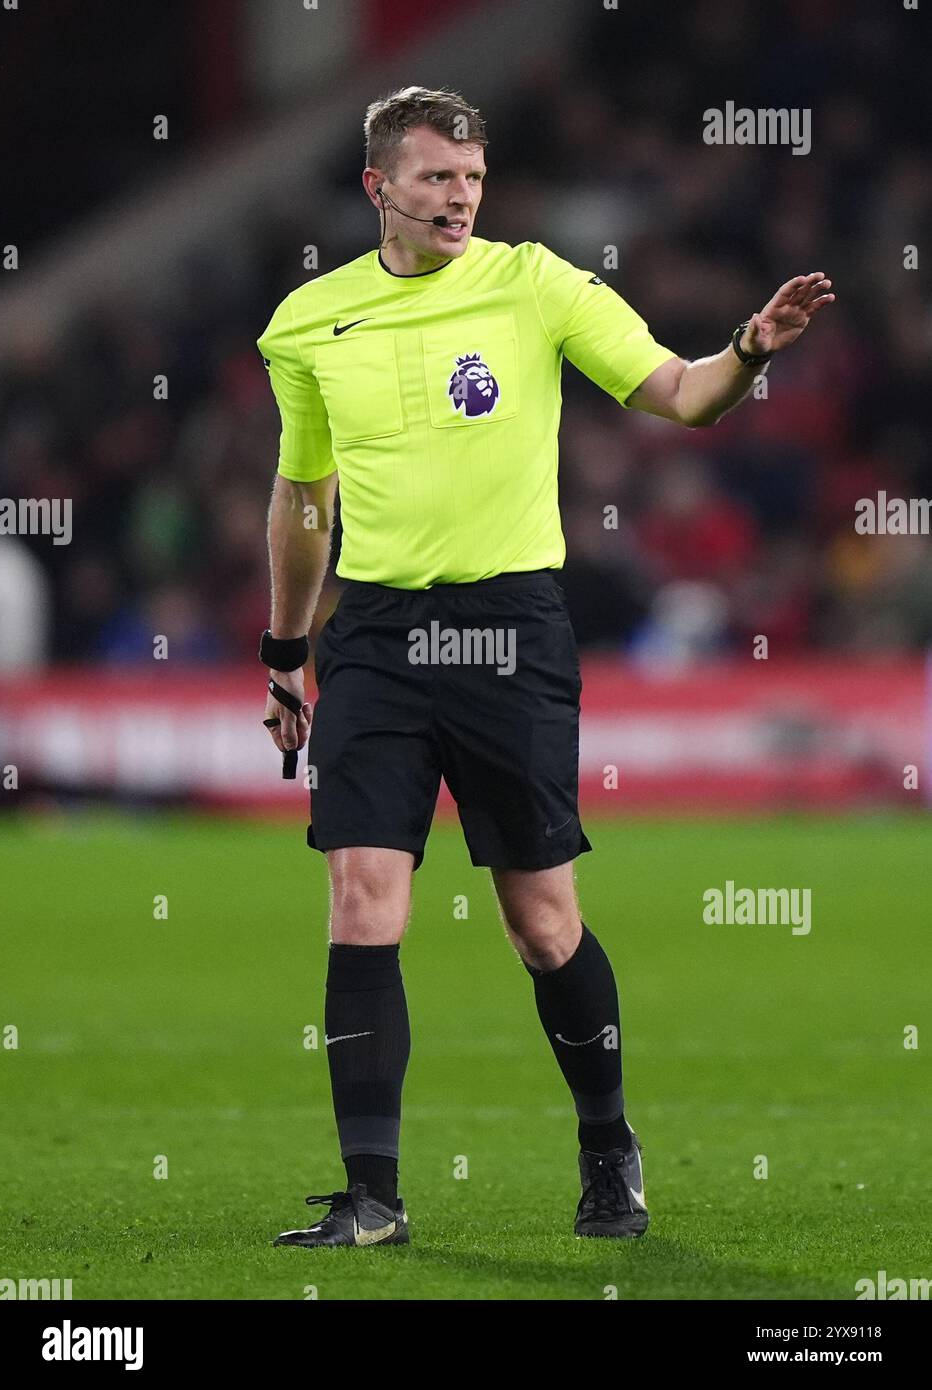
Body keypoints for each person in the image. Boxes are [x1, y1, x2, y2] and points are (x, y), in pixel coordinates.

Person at [256, 86, 834, 1248]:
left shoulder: (535, 285)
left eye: (471, 178)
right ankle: (372, 1195)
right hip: (370, 633)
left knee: (541, 920)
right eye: (434, 179)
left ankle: (608, 1150)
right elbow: (302, 499)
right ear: (379, 188)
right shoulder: (306, 324)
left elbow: (677, 392)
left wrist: (745, 350)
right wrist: (283, 653)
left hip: (509, 629)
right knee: (362, 895)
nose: (460, 198)